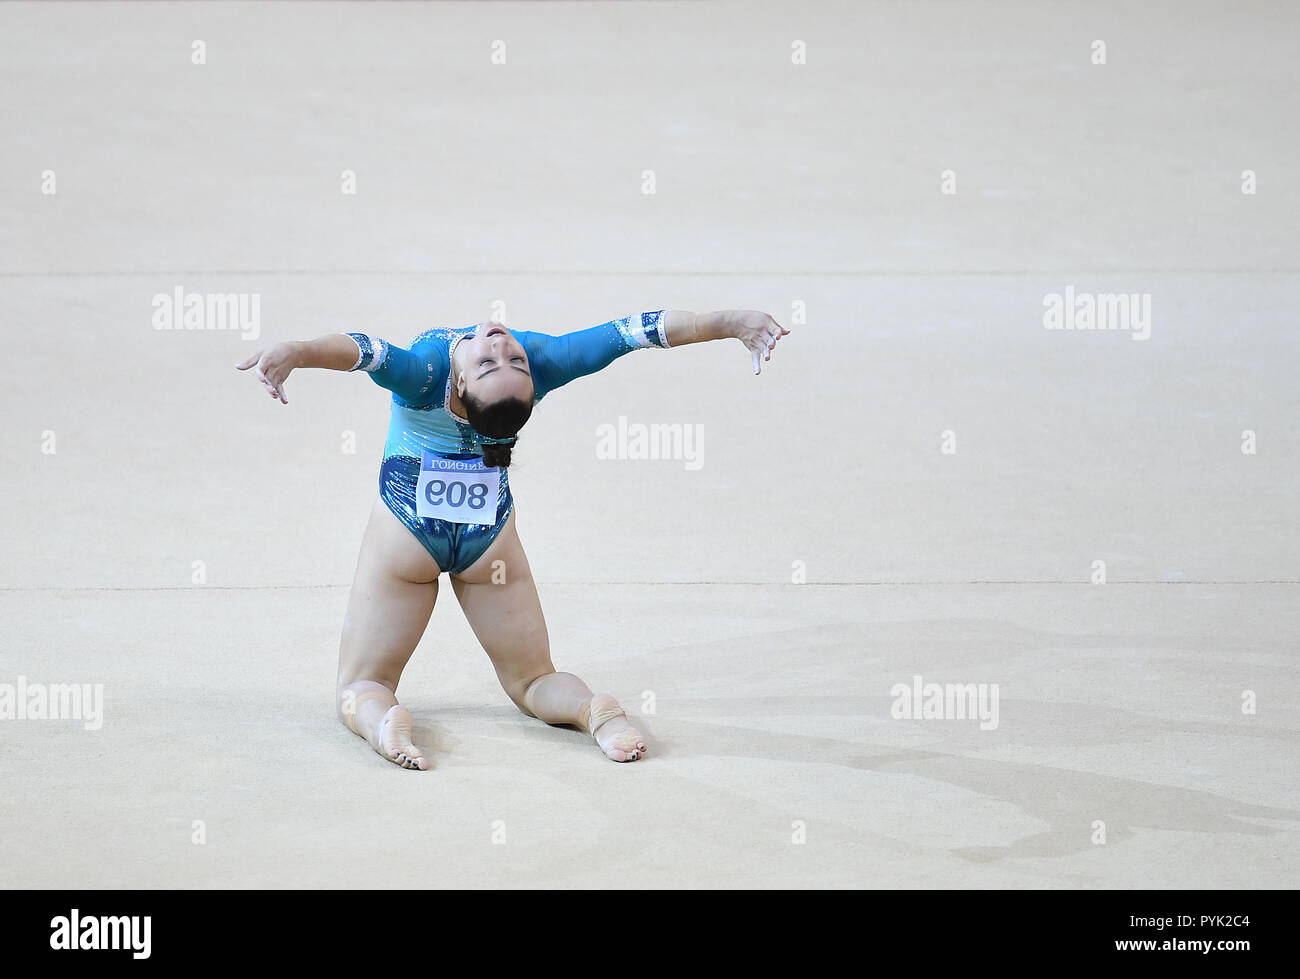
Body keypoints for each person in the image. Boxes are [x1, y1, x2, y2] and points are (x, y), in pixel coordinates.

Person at [236, 309, 789, 769]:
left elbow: (355, 350)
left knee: (361, 684)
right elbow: (637, 333)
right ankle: (595, 711)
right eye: (500, 358)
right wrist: (730, 322)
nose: (502, 344)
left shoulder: (427, 371)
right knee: (533, 681)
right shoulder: (542, 361)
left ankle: (383, 724)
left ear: (458, 384)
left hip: (406, 541)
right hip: (489, 545)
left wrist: (297, 351)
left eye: (506, 360)